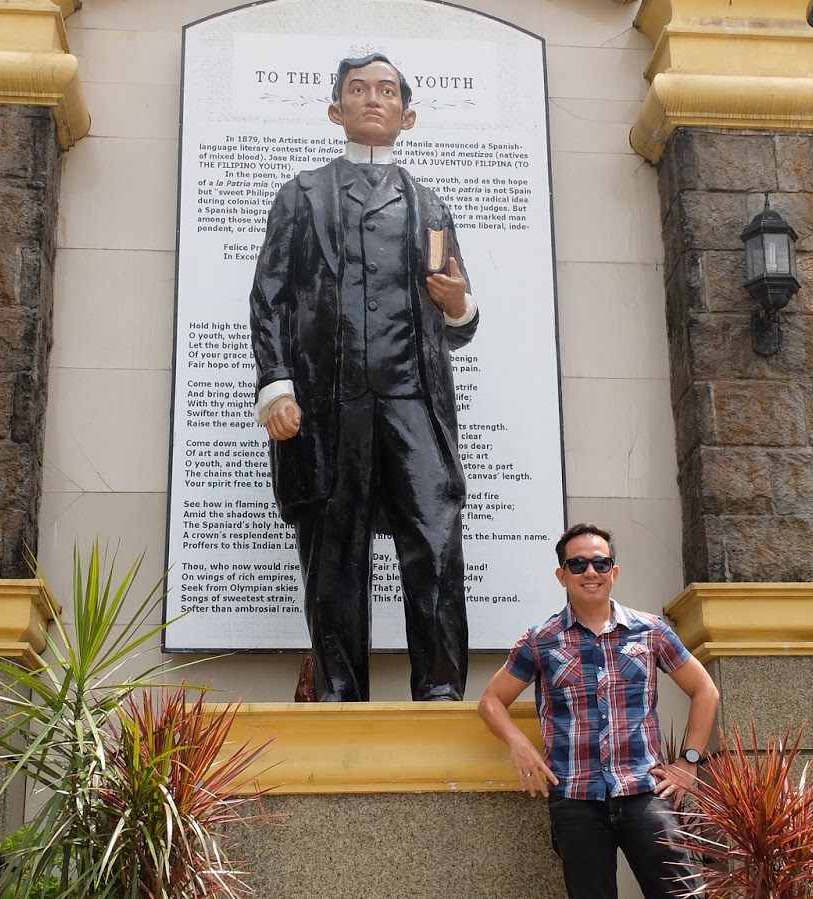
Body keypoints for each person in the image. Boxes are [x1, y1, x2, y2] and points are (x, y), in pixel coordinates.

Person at [250, 53, 477, 702]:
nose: (371, 99)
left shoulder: (430, 205)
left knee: (433, 541)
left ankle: (439, 687)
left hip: (414, 400)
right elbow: (270, 298)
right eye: (357, 89)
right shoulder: (302, 195)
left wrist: (457, 300)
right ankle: (340, 692)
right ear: (335, 110)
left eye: (385, 91)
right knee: (335, 553)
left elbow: (458, 324)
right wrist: (276, 383)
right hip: (330, 402)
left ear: (407, 115)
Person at [478, 523, 720, 899]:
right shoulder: (540, 640)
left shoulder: (650, 631)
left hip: (644, 791)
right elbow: (491, 702)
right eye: (577, 565)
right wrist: (518, 744)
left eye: (600, 563)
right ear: (562, 576)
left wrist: (689, 763)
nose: (590, 572)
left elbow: (705, 690)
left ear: (614, 572)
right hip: (575, 799)